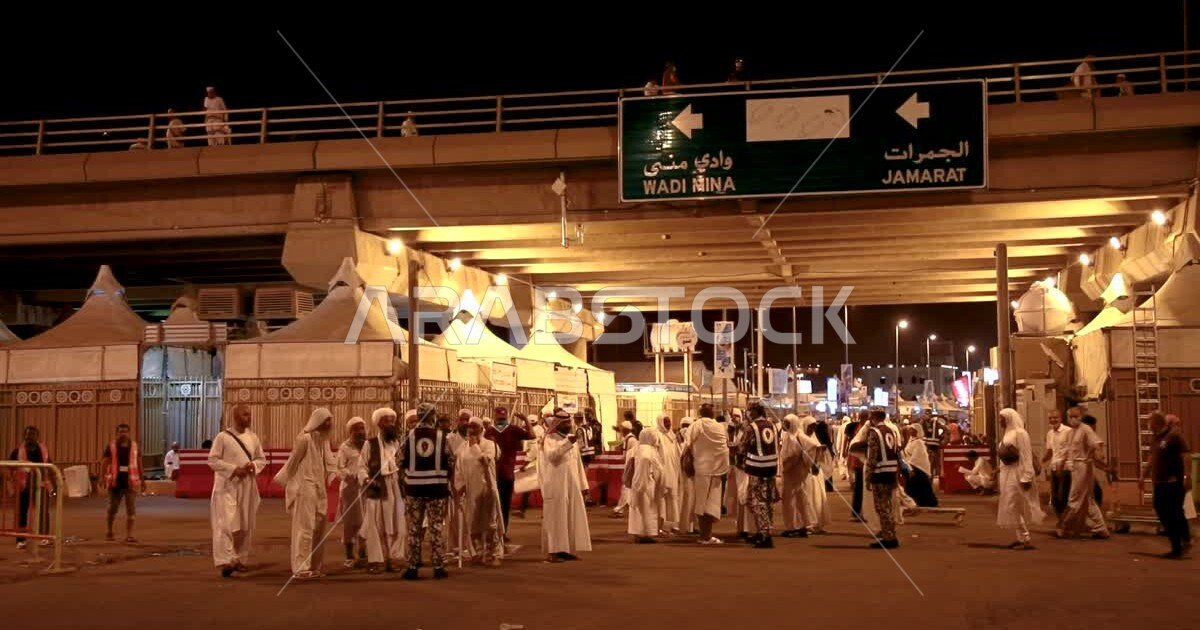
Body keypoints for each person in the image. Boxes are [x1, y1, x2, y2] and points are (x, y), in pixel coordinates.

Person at [273, 408, 336, 579]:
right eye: (326, 420)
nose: (329, 424)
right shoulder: (304, 438)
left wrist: (333, 474)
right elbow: (293, 461)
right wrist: (283, 480)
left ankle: (314, 566)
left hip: (318, 487)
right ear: (318, 421)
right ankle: (301, 568)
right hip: (304, 488)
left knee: (319, 526)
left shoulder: (323, 440)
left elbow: (330, 462)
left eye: (330, 420)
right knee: (305, 528)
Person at [207, 404, 267, 577]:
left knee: (245, 524)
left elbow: (261, 459)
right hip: (226, 486)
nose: (249, 417)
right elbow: (212, 460)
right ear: (235, 416)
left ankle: (239, 559)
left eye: (249, 414)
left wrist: (252, 465)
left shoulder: (253, 437)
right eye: (245, 414)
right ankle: (225, 561)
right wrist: (233, 469)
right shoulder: (222, 437)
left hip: (247, 486)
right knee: (225, 523)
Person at [399, 403, 455, 580]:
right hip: (437, 490)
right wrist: (446, 481)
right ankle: (438, 566)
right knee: (436, 528)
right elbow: (451, 462)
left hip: (414, 490)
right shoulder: (442, 437)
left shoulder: (407, 437)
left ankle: (412, 567)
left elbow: (399, 462)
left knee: (414, 529)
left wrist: (406, 482)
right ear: (433, 416)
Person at [538, 409, 592, 562]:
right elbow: (552, 457)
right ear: (558, 424)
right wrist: (569, 443)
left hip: (571, 484)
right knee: (555, 517)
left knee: (569, 516)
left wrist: (584, 485)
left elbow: (578, 464)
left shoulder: (570, 440)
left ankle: (564, 549)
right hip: (555, 485)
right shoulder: (549, 439)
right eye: (566, 423)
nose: (569, 425)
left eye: (570, 422)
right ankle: (552, 552)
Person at [358, 407, 406, 574]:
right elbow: (361, 467)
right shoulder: (369, 444)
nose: (391, 424)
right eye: (386, 421)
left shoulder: (397, 443)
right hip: (377, 487)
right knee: (376, 525)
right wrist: (367, 480)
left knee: (396, 523)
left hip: (395, 487)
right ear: (379, 424)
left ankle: (392, 558)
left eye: (392, 420)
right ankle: (376, 560)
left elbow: (400, 464)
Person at [454, 418, 504, 567]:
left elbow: (485, 460)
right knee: (473, 524)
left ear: (481, 429)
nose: (471, 429)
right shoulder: (462, 447)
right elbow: (458, 469)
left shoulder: (490, 445)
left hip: (487, 490)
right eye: (469, 426)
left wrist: (475, 445)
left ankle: (494, 554)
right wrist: (460, 485)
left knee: (491, 524)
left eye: (474, 426)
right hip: (470, 492)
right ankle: (477, 552)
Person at [996, 408, 1044, 550]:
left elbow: (1026, 456)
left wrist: (1027, 476)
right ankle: (1021, 538)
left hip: (1017, 473)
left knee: (1012, 505)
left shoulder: (1020, 434)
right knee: (1015, 506)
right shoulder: (1007, 434)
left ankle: (1026, 537)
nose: (1000, 421)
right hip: (1007, 473)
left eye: (1002, 418)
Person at [1059, 406, 1110, 539]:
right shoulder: (1070, 433)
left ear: (1081, 417)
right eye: (1070, 417)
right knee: (1088, 500)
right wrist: (1061, 463)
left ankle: (1065, 526)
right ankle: (1100, 528)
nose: (1073, 419)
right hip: (1075, 467)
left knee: (1074, 498)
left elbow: (1096, 443)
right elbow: (1067, 451)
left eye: (1076, 416)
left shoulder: (1085, 429)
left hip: (1083, 467)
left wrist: (1100, 454)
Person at [684, 404, 729, 545]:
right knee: (711, 504)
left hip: (701, 470)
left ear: (700, 413)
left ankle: (705, 536)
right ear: (713, 414)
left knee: (701, 503)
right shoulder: (720, 427)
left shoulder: (696, 426)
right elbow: (724, 447)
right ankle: (706, 535)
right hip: (717, 470)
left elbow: (687, 445)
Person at [1148, 412, 1192, 558]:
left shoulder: (1174, 435)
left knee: (1174, 513)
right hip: (1159, 483)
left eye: (1150, 422)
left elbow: (1186, 455)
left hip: (1173, 482)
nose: (1148, 425)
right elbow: (1152, 458)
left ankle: (1178, 546)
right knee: (1161, 510)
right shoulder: (1155, 438)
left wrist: (1187, 476)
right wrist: (1143, 475)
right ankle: (1182, 541)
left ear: (1157, 422)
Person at [484, 406, 531, 534]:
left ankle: (502, 532)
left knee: (503, 506)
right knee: (494, 505)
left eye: (503, 418)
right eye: (500, 418)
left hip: (505, 475)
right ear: (494, 416)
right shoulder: (489, 431)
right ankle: (495, 532)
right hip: (493, 474)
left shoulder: (511, 429)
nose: (501, 420)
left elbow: (531, 436)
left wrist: (525, 420)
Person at [738, 404, 779, 548]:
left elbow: (742, 446)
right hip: (771, 467)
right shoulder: (772, 425)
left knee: (757, 501)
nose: (749, 414)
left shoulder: (752, 427)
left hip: (756, 468)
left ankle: (765, 534)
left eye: (751, 411)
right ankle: (762, 531)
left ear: (757, 412)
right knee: (767, 501)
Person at [10, 426, 52, 549]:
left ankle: (44, 537)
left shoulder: (43, 450)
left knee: (43, 513)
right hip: (23, 487)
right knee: (22, 513)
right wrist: (11, 482)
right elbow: (9, 467)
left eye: (32, 434)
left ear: (37, 436)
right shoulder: (17, 451)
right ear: (24, 436)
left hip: (41, 486)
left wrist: (54, 486)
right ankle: (20, 539)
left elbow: (50, 466)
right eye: (28, 434)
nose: (30, 437)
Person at [864, 410, 901, 549]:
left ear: (874, 418)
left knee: (881, 507)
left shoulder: (875, 432)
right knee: (888, 506)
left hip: (879, 473)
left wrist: (868, 477)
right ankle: (891, 534)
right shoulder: (891, 431)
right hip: (891, 472)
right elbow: (896, 452)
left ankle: (888, 538)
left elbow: (872, 456)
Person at [336, 417, 368, 567]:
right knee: (350, 523)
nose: (360, 432)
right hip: (350, 490)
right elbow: (339, 468)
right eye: (356, 429)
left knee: (366, 521)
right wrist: (349, 475)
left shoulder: (368, 445)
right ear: (350, 431)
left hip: (366, 490)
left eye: (362, 428)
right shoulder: (345, 447)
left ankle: (363, 554)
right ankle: (349, 555)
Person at [101, 423, 141, 543]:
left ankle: (129, 535)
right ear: (116, 433)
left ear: (129, 433)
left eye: (125, 431)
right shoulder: (111, 446)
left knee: (131, 509)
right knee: (112, 508)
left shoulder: (135, 446)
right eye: (120, 431)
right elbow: (105, 461)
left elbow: (139, 463)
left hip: (131, 482)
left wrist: (142, 479)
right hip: (115, 482)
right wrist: (101, 477)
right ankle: (109, 531)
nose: (123, 434)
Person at [779, 414, 816, 538]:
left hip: (796, 472)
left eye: (787, 423)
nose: (784, 425)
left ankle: (797, 526)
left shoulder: (799, 436)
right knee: (793, 499)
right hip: (791, 473)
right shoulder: (788, 436)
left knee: (797, 499)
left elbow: (812, 446)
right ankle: (797, 525)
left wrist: (796, 460)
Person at [629, 427, 664, 543]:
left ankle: (640, 534)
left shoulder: (640, 447)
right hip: (645, 483)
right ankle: (645, 534)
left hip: (641, 482)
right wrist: (646, 478)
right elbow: (645, 460)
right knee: (647, 508)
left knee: (641, 509)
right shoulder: (647, 449)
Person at [1042, 409, 1072, 528]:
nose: (1053, 420)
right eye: (1051, 418)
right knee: (1055, 499)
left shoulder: (1068, 431)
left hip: (1066, 468)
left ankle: (1065, 523)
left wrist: (1063, 462)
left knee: (1063, 497)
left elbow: (1071, 449)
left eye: (1056, 418)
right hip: (1054, 468)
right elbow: (1050, 450)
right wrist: (1042, 461)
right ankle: (1062, 521)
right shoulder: (1050, 434)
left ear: (1061, 418)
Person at [654, 414, 682, 533]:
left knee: (672, 499)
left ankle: (672, 525)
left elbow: (677, 453)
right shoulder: (657, 435)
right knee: (661, 499)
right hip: (662, 472)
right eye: (665, 422)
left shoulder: (672, 436)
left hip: (673, 471)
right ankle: (659, 526)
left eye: (669, 422)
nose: (668, 424)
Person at [902, 425, 938, 507]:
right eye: (910, 430)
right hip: (911, 466)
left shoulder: (919, 442)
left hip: (918, 467)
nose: (911, 432)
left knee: (918, 484)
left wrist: (909, 465)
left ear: (917, 431)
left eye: (913, 430)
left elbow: (917, 456)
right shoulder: (911, 441)